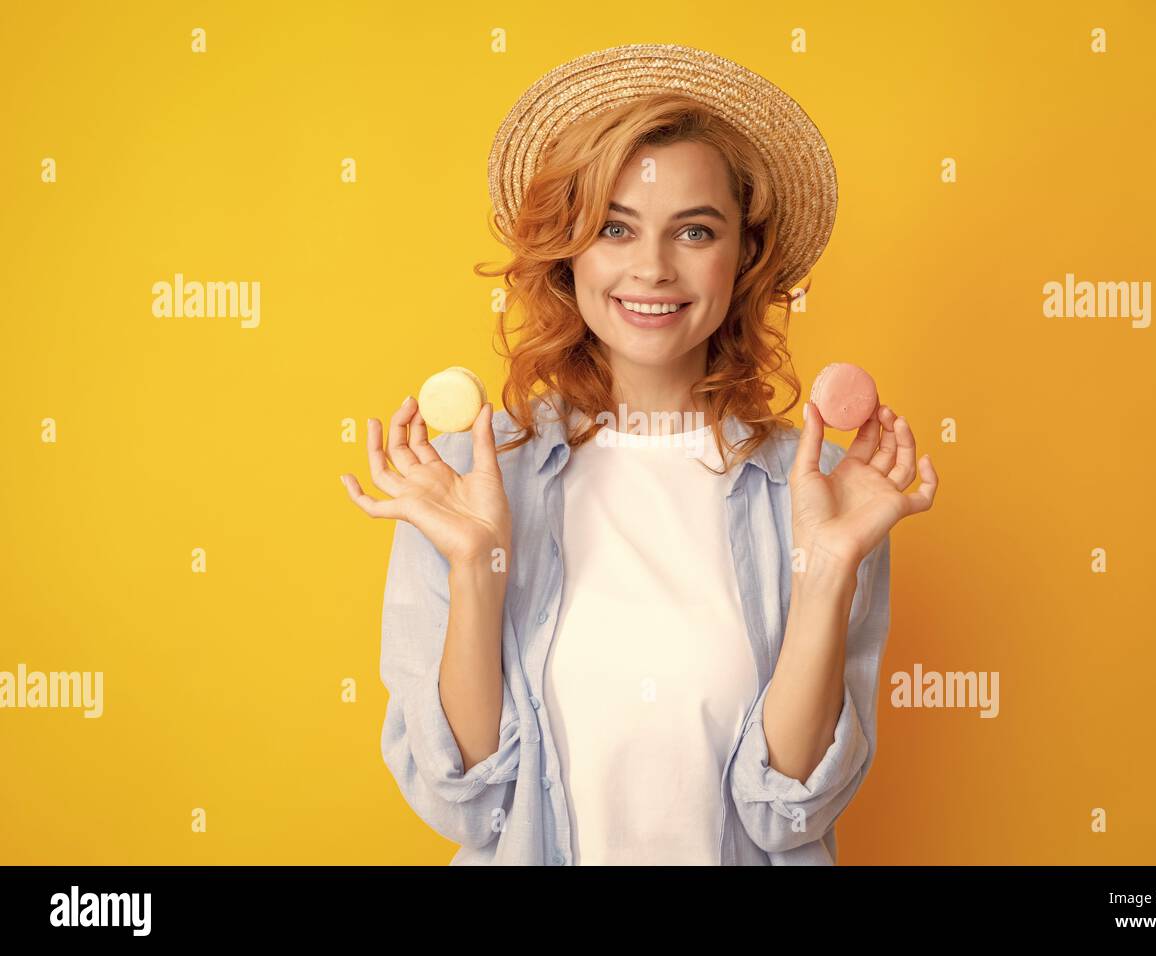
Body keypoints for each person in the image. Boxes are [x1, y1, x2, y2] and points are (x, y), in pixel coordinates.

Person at [340, 44, 938, 865]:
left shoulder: (819, 496)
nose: (651, 268)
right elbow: (467, 804)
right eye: (614, 228)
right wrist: (477, 564)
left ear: (746, 259)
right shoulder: (466, 482)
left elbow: (789, 815)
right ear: (570, 251)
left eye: (695, 230)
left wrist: (829, 567)